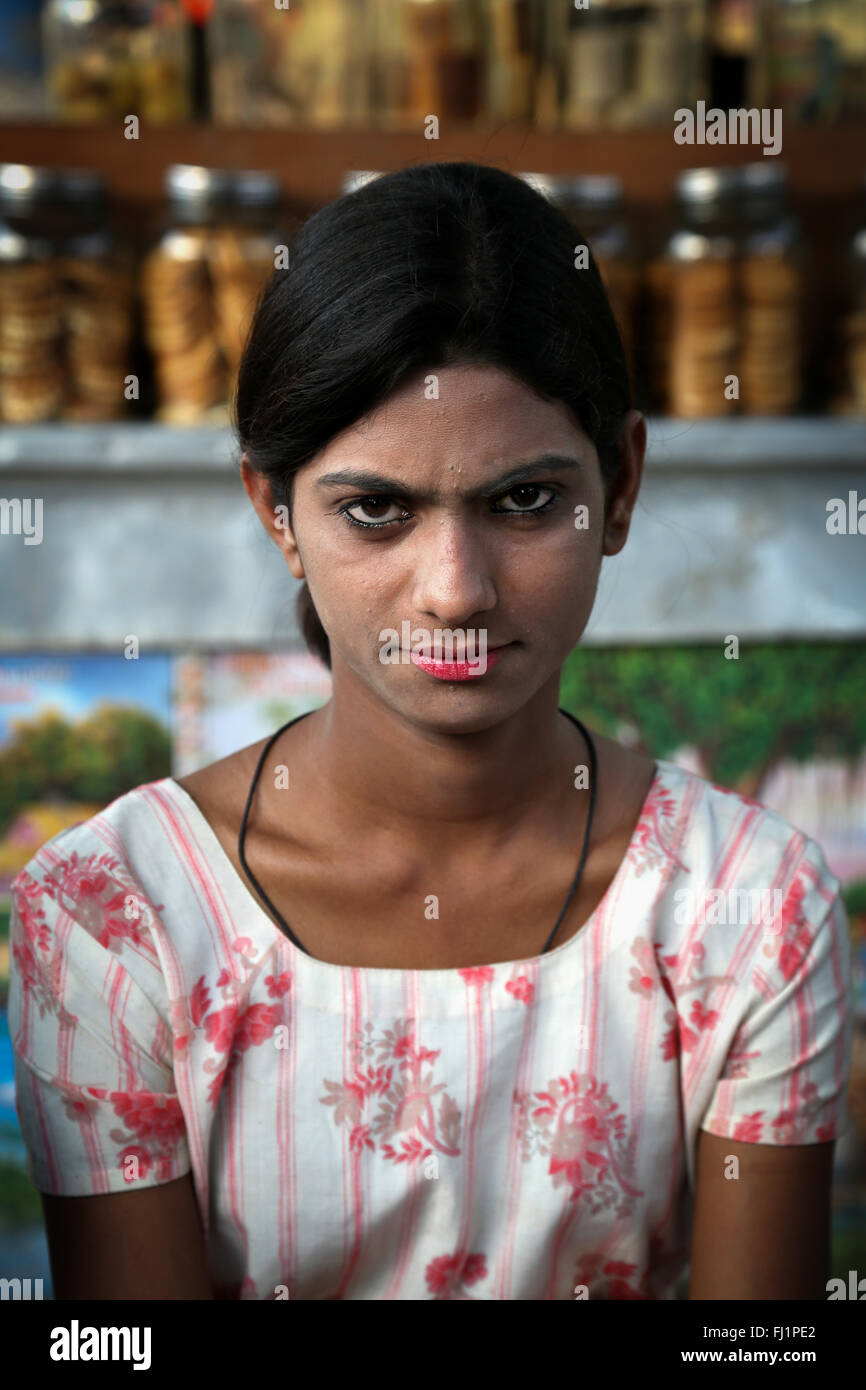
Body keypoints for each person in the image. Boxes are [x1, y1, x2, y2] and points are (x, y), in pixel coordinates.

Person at [8, 163, 853, 1301]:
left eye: (520, 502)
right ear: (274, 508)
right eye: (376, 510)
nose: (453, 592)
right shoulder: (113, 918)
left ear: (622, 482)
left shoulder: (743, 906)